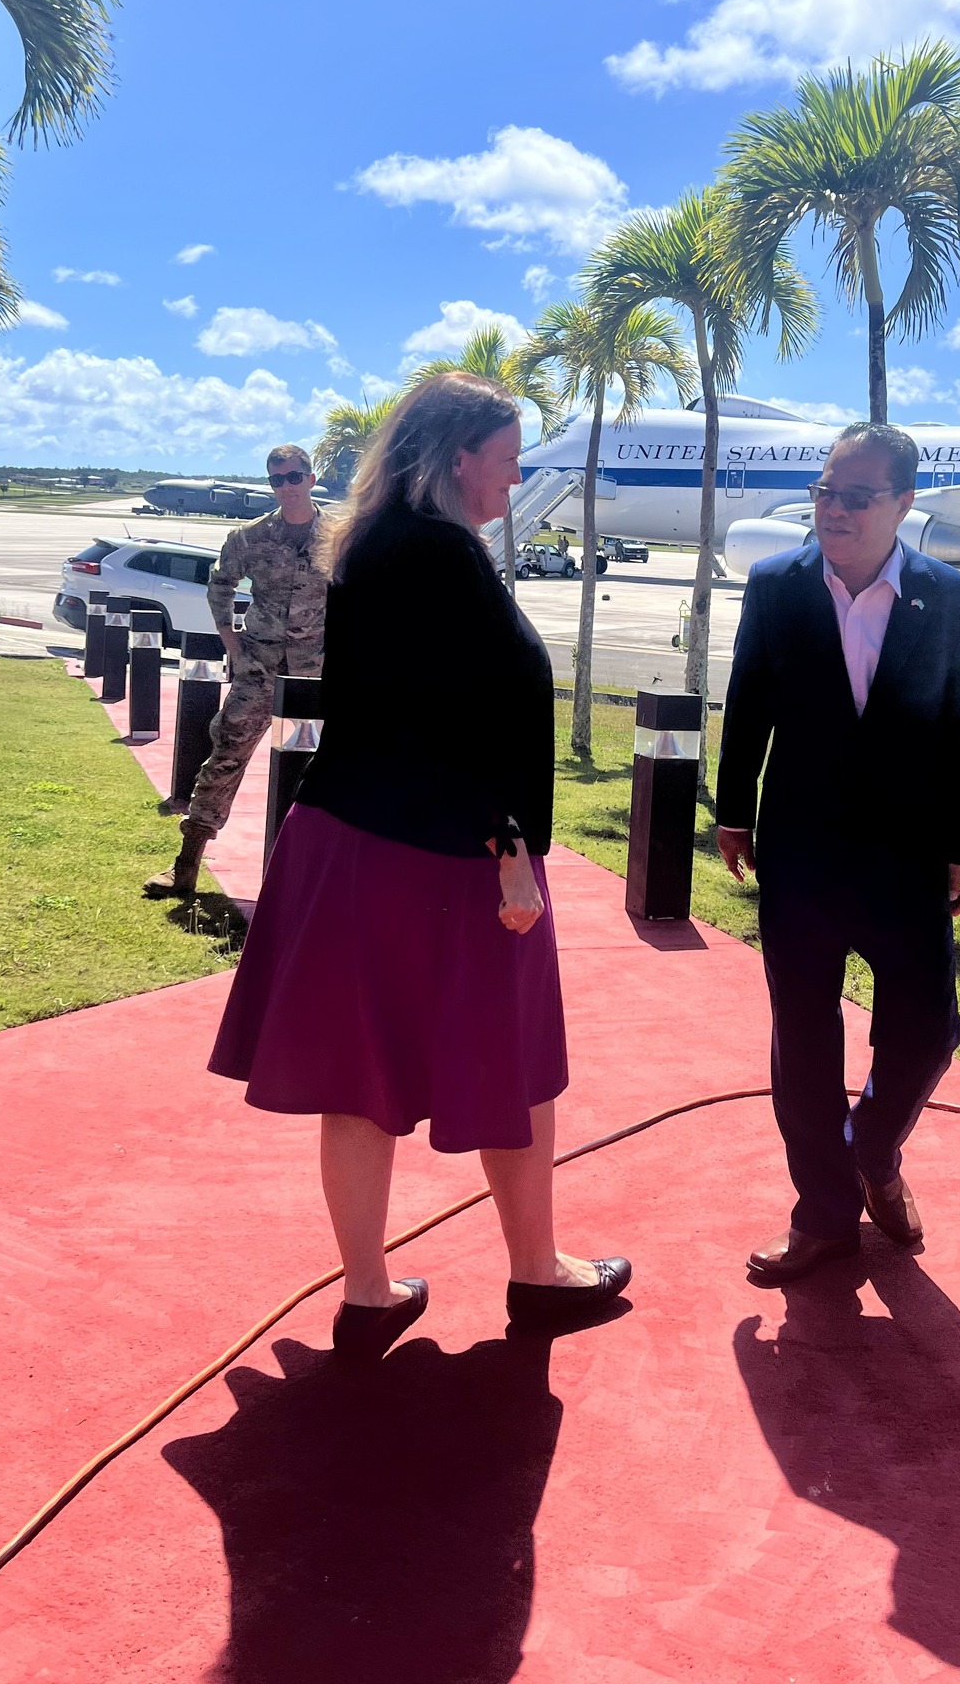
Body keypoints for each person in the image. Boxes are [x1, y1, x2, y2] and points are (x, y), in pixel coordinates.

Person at [207, 372, 631, 1360]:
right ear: (455, 458)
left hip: (350, 839)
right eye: (506, 454)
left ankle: (369, 1290)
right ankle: (538, 1269)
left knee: (361, 1074)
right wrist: (512, 848)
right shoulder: (441, 555)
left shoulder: (373, 544)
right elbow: (477, 717)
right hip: (451, 853)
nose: (516, 474)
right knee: (514, 1059)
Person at [715, 422, 960, 1283]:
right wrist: (732, 813)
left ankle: (872, 1150)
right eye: (825, 492)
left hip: (906, 857)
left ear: (903, 504)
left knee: (927, 1029)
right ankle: (824, 1217)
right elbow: (749, 702)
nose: (833, 509)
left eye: (856, 496)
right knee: (803, 1039)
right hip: (799, 853)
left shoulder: (954, 600)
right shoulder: (776, 586)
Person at [145, 443, 327, 897]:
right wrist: (230, 641)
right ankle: (186, 864)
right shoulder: (251, 537)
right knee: (226, 753)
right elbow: (220, 584)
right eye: (276, 479)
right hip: (261, 667)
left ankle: (319, 878)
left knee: (330, 770)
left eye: (294, 477)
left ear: (311, 477)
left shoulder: (341, 536)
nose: (286, 487)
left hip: (317, 672)